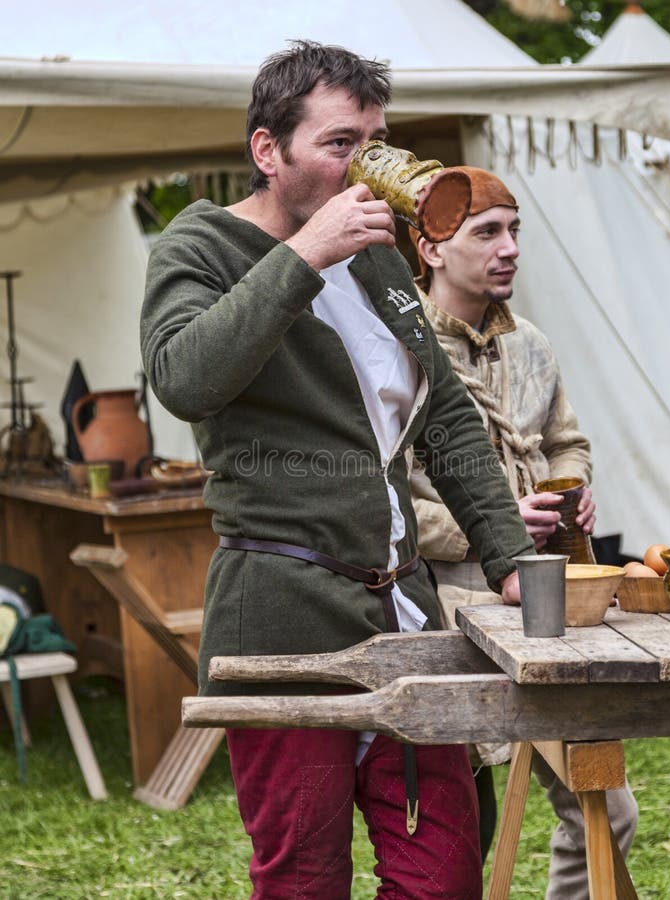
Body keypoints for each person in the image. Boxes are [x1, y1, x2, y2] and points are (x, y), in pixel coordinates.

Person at [141, 42, 535, 899]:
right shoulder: (201, 244)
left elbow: (447, 415)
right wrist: (303, 255)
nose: (369, 164)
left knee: (442, 880)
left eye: (378, 140)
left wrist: (509, 559)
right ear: (267, 151)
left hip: (405, 613)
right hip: (283, 614)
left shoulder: (382, 255)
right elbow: (184, 380)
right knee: (303, 882)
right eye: (341, 144)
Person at [408, 166, 639, 899]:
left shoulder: (531, 343)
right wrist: (489, 533)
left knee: (607, 808)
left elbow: (566, 441)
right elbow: (386, 503)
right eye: (486, 232)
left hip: (546, 608)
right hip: (446, 611)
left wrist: (568, 488)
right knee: (460, 836)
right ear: (431, 248)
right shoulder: (398, 353)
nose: (509, 248)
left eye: (515, 232)